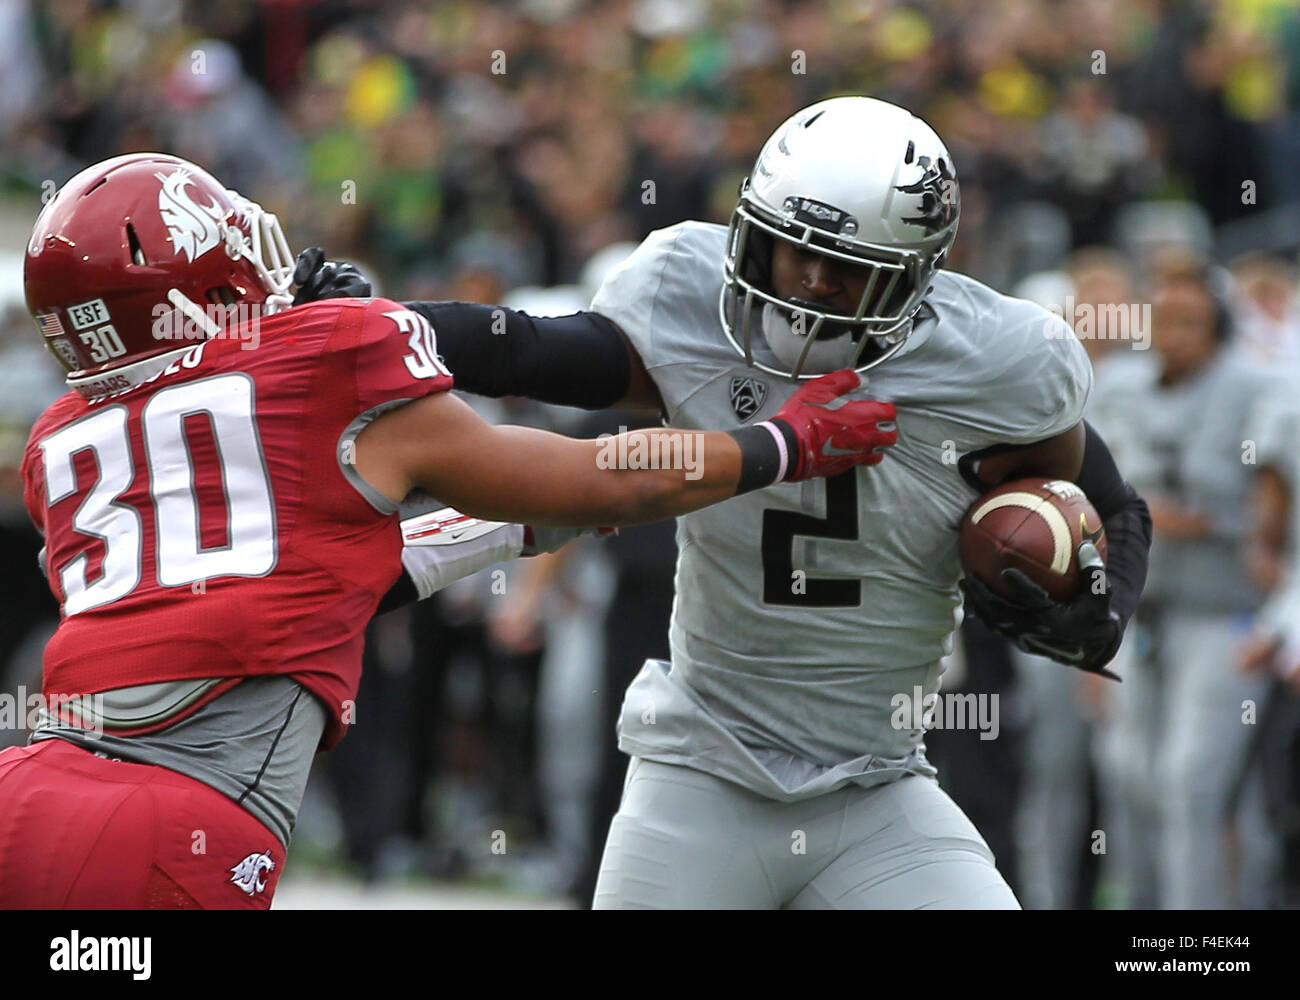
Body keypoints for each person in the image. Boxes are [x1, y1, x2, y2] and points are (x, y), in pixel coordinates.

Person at [300, 96, 1154, 909]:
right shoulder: (692, 299)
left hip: (880, 780)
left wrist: (1103, 607)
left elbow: (1116, 506)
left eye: (845, 269)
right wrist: (379, 323)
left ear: (913, 278)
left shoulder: (999, 361)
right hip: (702, 767)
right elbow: (529, 352)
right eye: (794, 250)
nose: (812, 283)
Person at [0, 152, 895, 910]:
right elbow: (600, 480)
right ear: (200, 275)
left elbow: (336, 575)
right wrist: (783, 441)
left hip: (29, 788)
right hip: (172, 820)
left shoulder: (57, 438)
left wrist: (519, 532)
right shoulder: (330, 354)